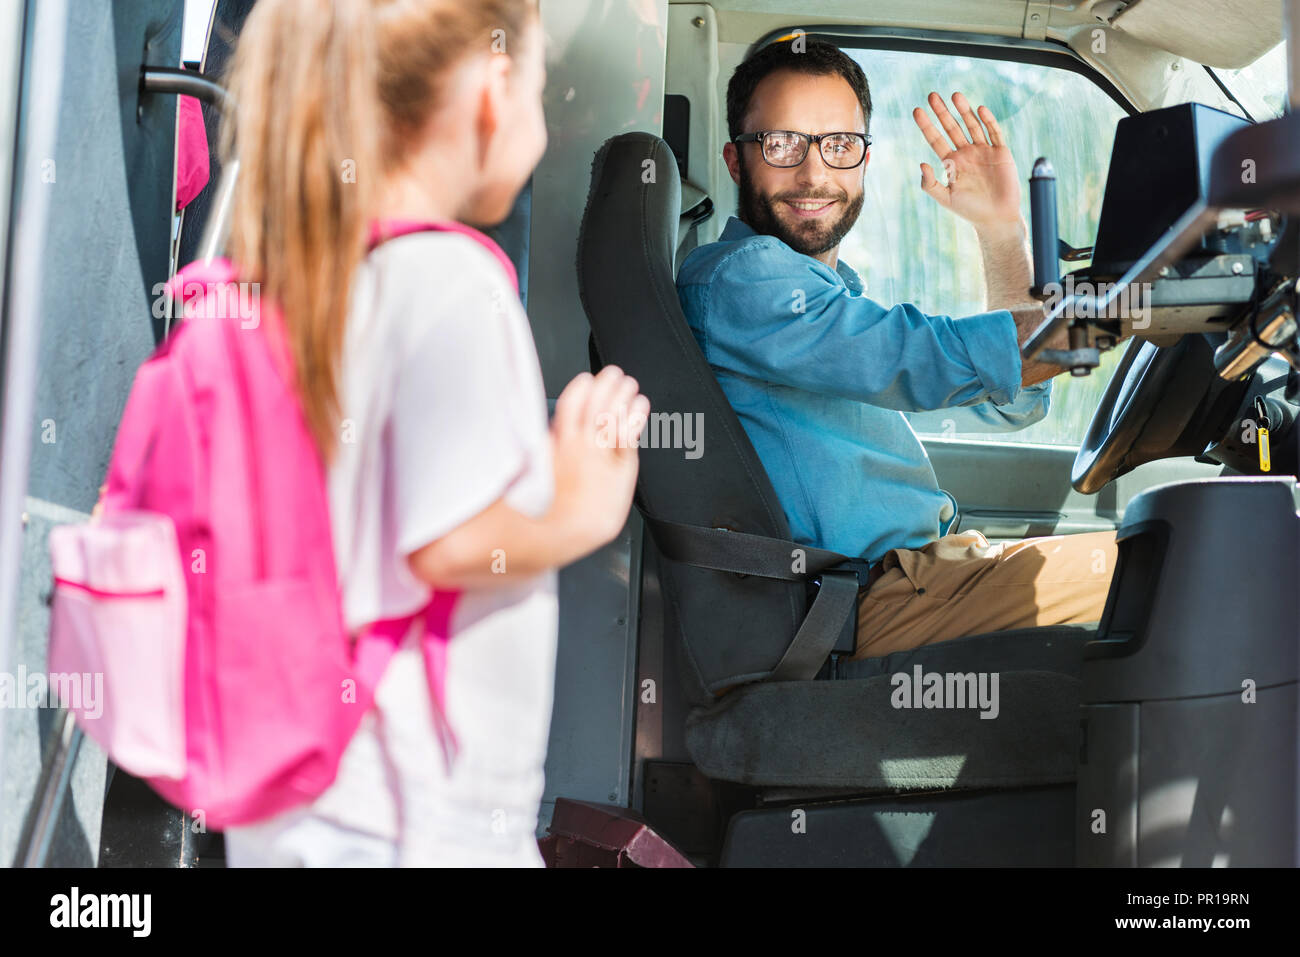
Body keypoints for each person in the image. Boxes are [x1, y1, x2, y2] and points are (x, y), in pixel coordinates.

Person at [217, 0, 648, 866]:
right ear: (493, 93)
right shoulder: (456, 281)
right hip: (416, 814)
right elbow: (447, 543)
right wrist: (582, 507)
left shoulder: (311, 271)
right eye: (538, 85)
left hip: (309, 800)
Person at [676, 38, 1119, 660]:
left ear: (862, 158)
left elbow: (1007, 404)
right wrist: (1128, 307)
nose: (814, 174)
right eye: (780, 144)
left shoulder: (826, 303)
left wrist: (999, 230)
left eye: (838, 144)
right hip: (861, 605)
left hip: (924, 578)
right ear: (735, 160)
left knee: (1170, 561)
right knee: (1173, 575)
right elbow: (925, 360)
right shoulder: (743, 279)